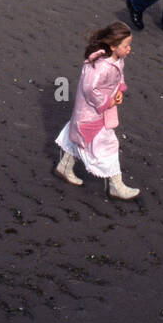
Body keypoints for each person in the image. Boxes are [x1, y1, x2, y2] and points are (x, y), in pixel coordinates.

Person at [54, 21, 140, 199]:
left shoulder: (117, 60)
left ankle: (65, 165)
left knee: (80, 138)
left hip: (96, 113)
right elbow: (89, 88)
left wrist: (119, 92)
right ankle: (116, 185)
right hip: (92, 114)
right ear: (113, 46)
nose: (129, 49)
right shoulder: (100, 67)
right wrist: (107, 102)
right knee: (108, 144)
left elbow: (118, 78)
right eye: (126, 46)